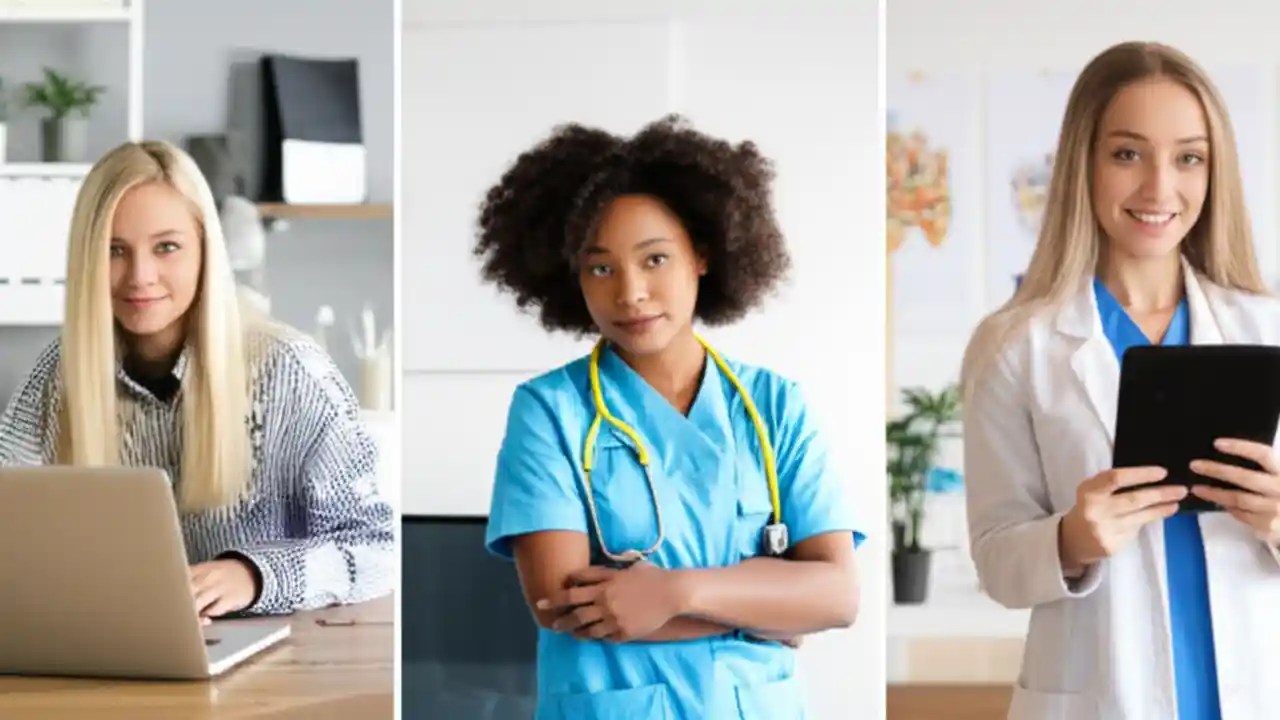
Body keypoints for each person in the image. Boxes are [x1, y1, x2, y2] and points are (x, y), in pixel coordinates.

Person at [477, 115, 863, 719]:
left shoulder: (776, 405)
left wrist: (675, 591)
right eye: (600, 268)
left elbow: (838, 596)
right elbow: (561, 604)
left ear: (701, 255)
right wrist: (762, 610)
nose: (630, 292)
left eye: (654, 259)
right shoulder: (550, 411)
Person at [962, 42, 1280, 719]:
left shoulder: (1266, 327)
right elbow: (995, 560)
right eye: (1128, 153)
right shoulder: (1014, 346)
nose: (1159, 188)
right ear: (1084, 162)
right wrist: (1072, 540)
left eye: (1188, 158)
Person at [0, 141, 394, 621]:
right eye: (114, 251)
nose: (140, 276)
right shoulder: (57, 375)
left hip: (273, 655)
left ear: (207, 251)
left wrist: (254, 576)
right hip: (109, 645)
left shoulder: (292, 371)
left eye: (166, 247)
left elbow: (376, 549)